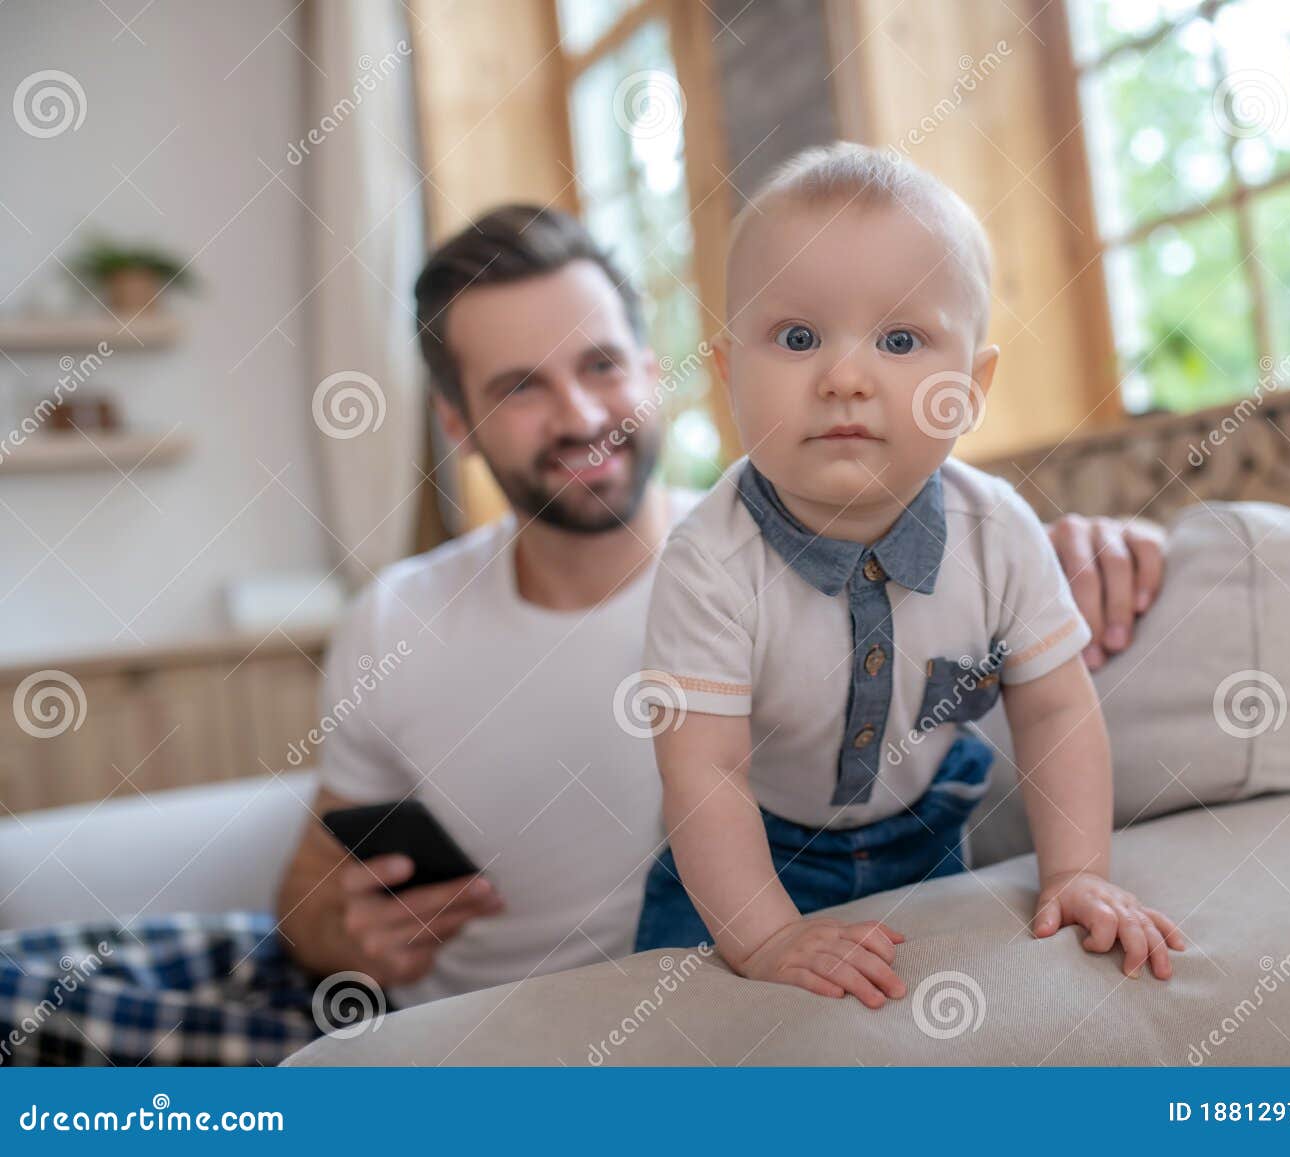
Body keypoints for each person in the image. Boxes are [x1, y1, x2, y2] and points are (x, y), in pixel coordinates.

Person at [0, 201, 1167, 1065]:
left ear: (652, 372)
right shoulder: (394, 620)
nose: (581, 416)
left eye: (603, 365)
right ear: (457, 421)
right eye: (520, 386)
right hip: (394, 1028)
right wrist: (340, 929)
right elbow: (310, 877)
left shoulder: (783, 550)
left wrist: (1098, 545)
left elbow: (968, 564)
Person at [632, 145, 1185, 1006]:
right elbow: (704, 774)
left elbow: (1055, 706)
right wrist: (768, 936)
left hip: (928, 824)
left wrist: (1078, 871)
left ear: (971, 386)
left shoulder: (997, 530)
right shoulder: (708, 560)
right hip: (748, 852)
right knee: (673, 1037)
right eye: (798, 337)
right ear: (727, 375)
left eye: (899, 339)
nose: (845, 378)